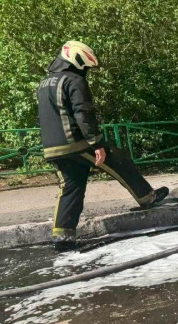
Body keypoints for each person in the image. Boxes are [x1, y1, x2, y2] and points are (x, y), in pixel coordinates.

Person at [37, 41, 169, 252]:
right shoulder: (74, 80)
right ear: (77, 61)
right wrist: (96, 144)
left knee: (71, 187)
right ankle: (147, 197)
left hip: (52, 148)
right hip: (76, 142)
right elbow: (83, 113)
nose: (86, 71)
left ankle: (63, 238)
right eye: (85, 67)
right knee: (118, 160)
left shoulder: (45, 83)